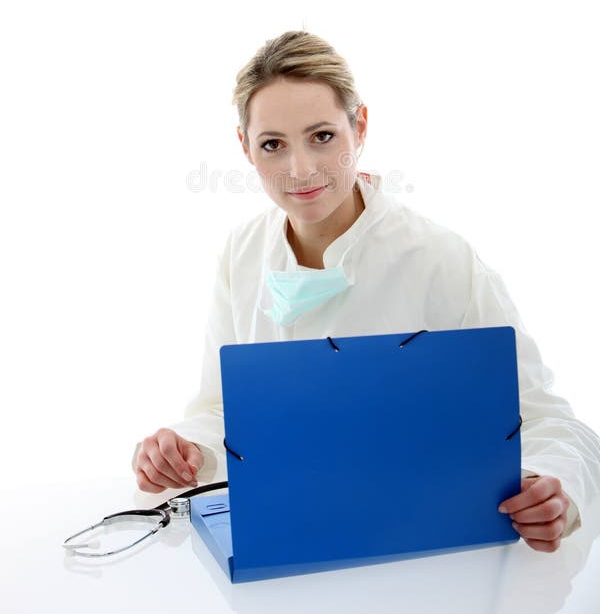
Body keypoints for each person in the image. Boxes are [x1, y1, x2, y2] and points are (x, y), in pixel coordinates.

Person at [132, 29, 600, 553]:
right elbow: (224, 409)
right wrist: (181, 446)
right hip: (288, 540)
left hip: (426, 544)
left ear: (359, 127)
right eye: (272, 145)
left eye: (323, 136)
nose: (301, 169)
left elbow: (548, 420)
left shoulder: (440, 260)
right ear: (245, 147)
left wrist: (552, 485)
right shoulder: (240, 256)